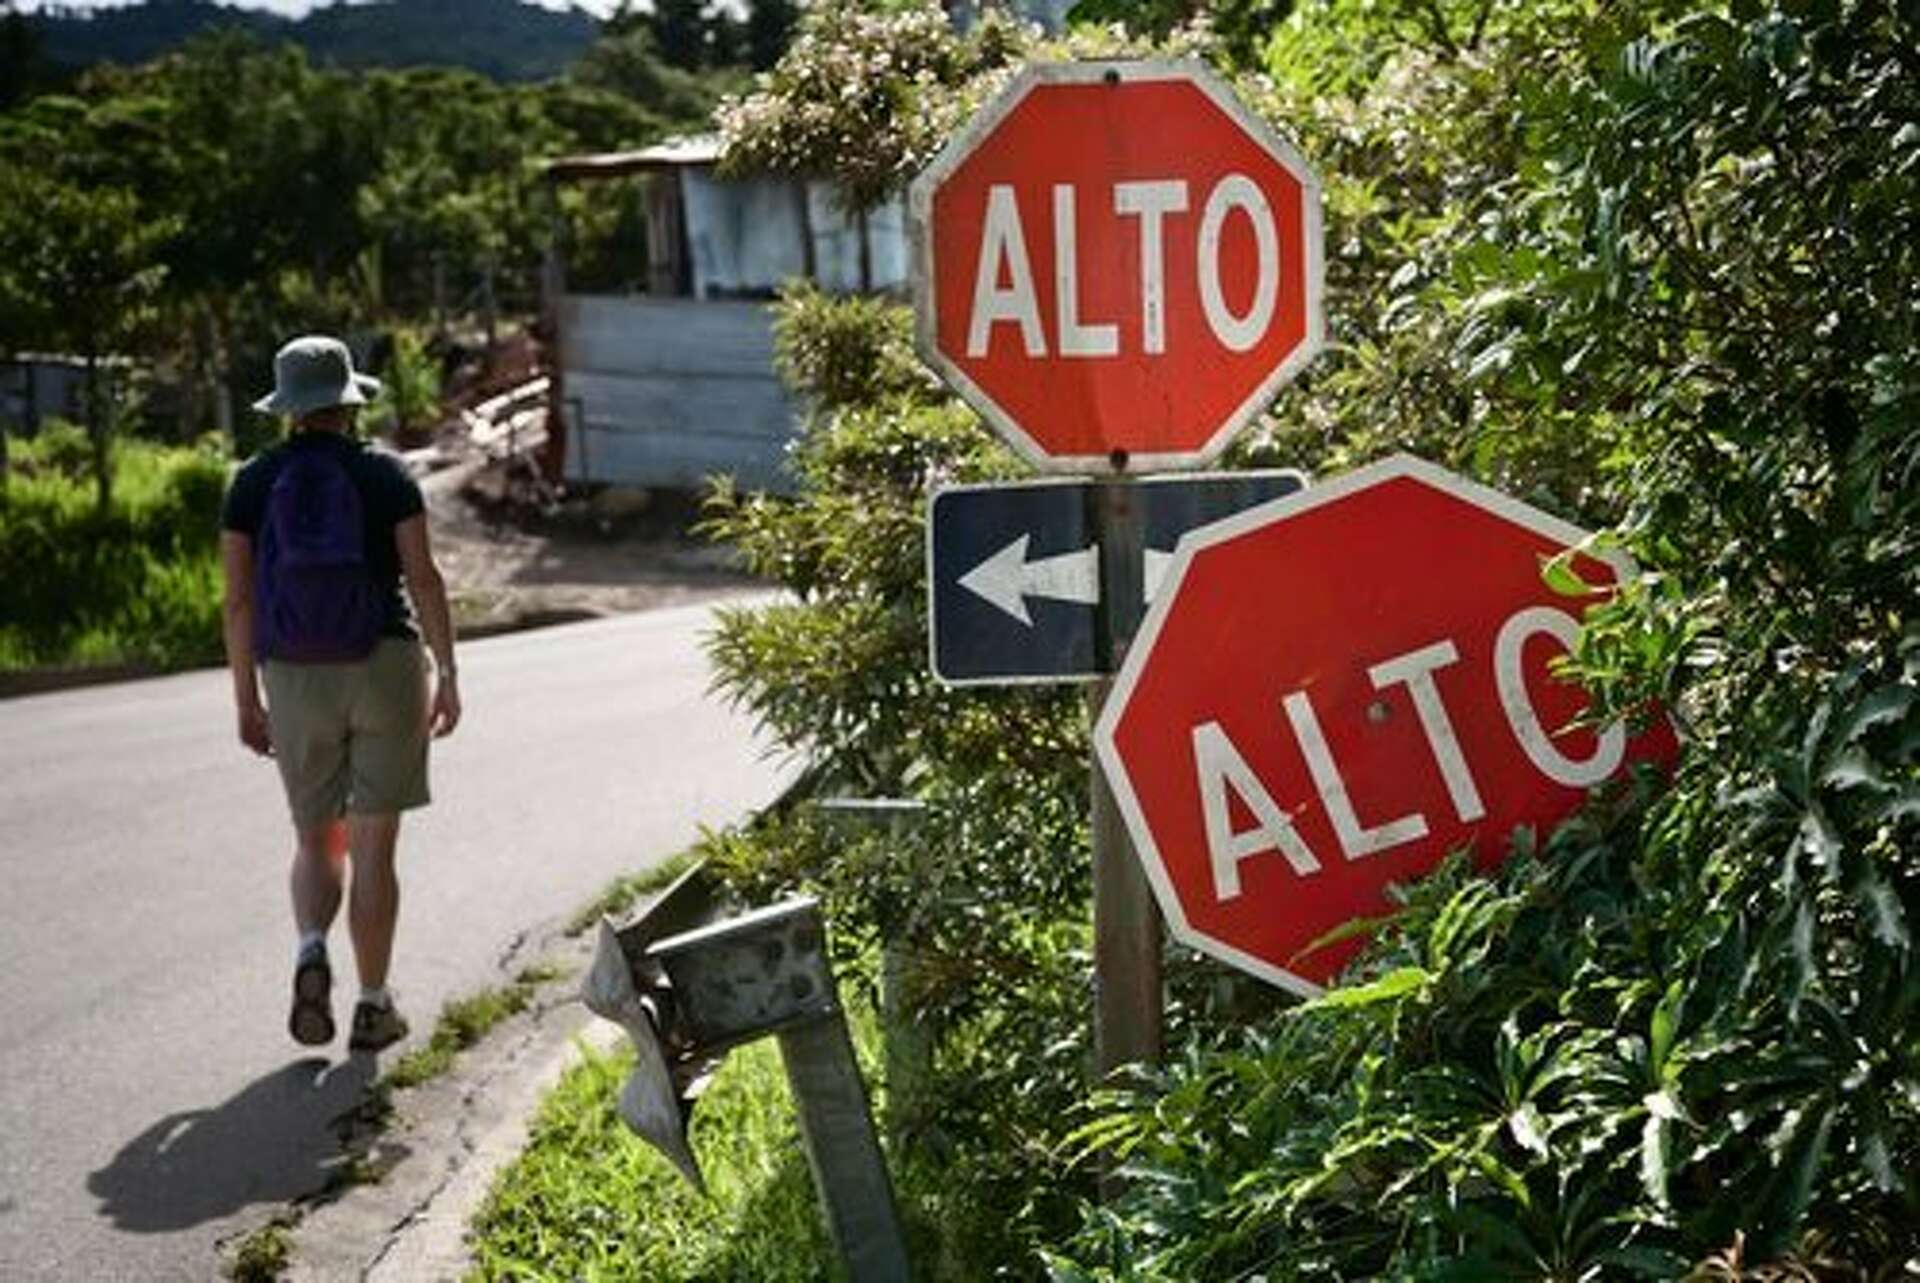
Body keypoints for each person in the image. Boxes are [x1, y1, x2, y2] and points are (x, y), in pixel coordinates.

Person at [219, 334, 462, 1053]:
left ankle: (310, 948)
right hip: (385, 664)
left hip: (294, 674)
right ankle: (372, 1004)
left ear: (287, 406)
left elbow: (238, 601)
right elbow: (424, 579)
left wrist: (246, 698)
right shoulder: (385, 475)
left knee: (316, 838)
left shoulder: (252, 483)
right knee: (373, 847)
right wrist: (447, 670)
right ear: (348, 402)